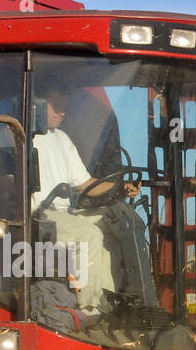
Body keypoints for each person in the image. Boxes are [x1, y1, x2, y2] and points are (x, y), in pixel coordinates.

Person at [31, 84, 138, 320]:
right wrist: (16, 186)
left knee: (111, 223)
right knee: (89, 235)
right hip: (38, 214)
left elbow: (85, 183)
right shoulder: (17, 135)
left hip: (63, 214)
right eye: (57, 107)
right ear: (37, 104)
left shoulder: (61, 138)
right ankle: (88, 308)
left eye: (64, 107)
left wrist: (120, 188)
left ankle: (105, 297)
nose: (63, 113)